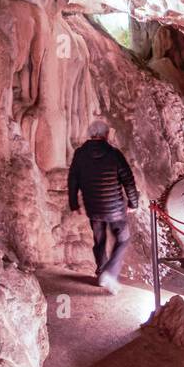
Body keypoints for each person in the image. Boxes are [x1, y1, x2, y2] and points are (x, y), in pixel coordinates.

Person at [67, 119, 139, 294]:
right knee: (123, 239)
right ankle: (109, 273)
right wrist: (133, 203)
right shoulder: (114, 154)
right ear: (106, 135)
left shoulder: (80, 154)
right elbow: (128, 180)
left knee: (99, 241)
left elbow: (73, 180)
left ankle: (101, 270)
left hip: (93, 208)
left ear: (91, 135)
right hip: (115, 208)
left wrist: (74, 203)